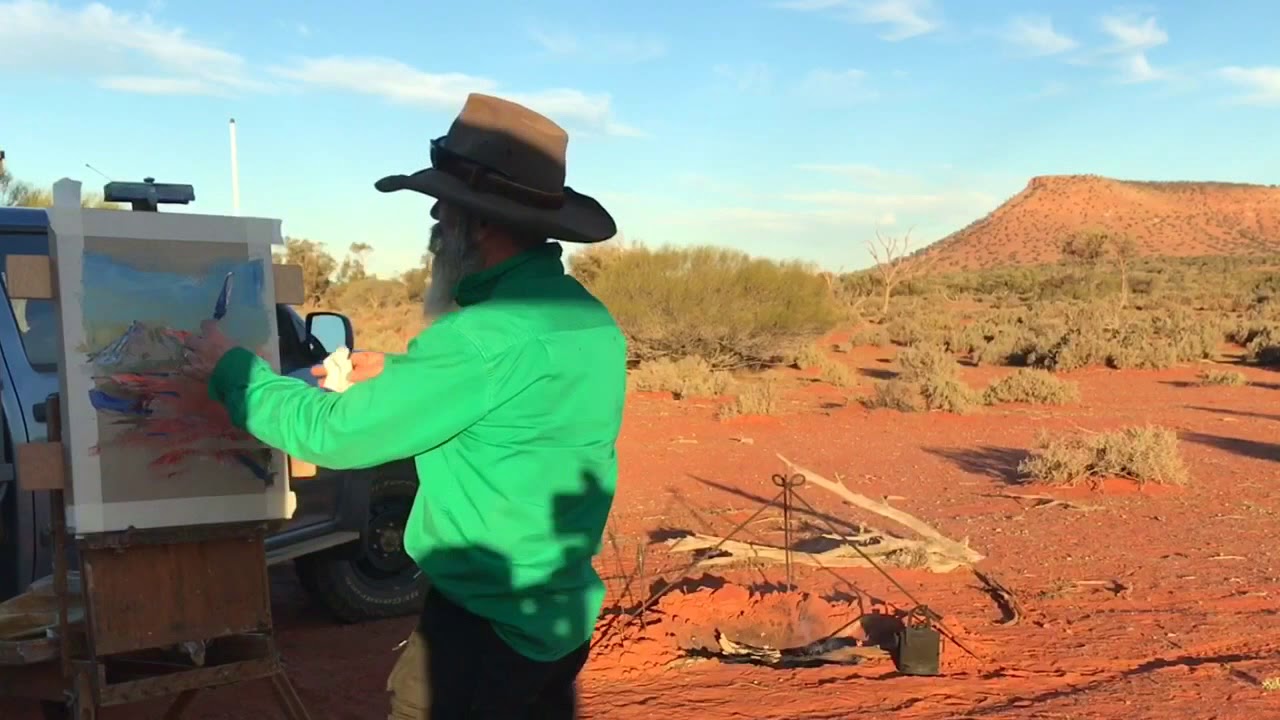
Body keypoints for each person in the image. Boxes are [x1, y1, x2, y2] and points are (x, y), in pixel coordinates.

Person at [187, 93, 627, 719]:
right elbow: (519, 407)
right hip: (553, 613)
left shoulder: (481, 338)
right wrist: (401, 375)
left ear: (480, 222)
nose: (435, 225)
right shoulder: (584, 319)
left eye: (443, 209)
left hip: (486, 623)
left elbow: (335, 436)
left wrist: (232, 371)